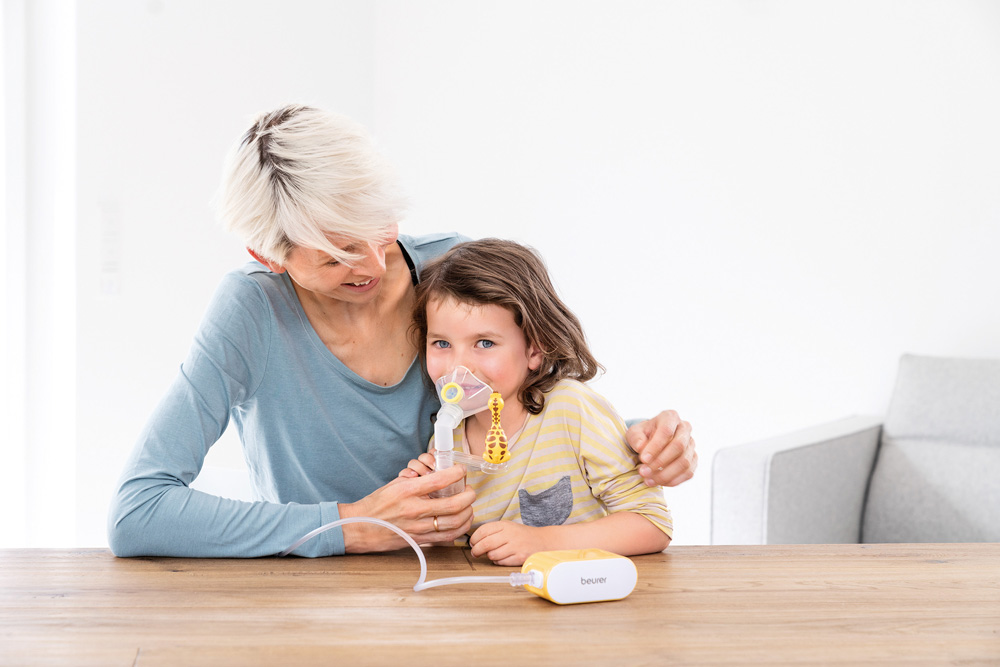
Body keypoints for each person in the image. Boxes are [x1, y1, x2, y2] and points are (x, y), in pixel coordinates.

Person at [107, 104, 697, 558]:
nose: (371, 265)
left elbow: (533, 408)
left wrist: (641, 440)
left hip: (468, 583)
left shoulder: (450, 270)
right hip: (316, 599)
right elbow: (138, 512)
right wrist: (352, 526)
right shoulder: (251, 312)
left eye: (381, 230)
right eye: (336, 256)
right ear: (270, 257)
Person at [399, 239, 672, 565]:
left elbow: (652, 523)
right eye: (442, 343)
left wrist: (543, 542)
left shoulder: (571, 410)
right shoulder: (447, 439)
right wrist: (430, 509)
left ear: (534, 349)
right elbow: (454, 554)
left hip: (583, 590)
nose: (459, 367)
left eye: (484, 343)